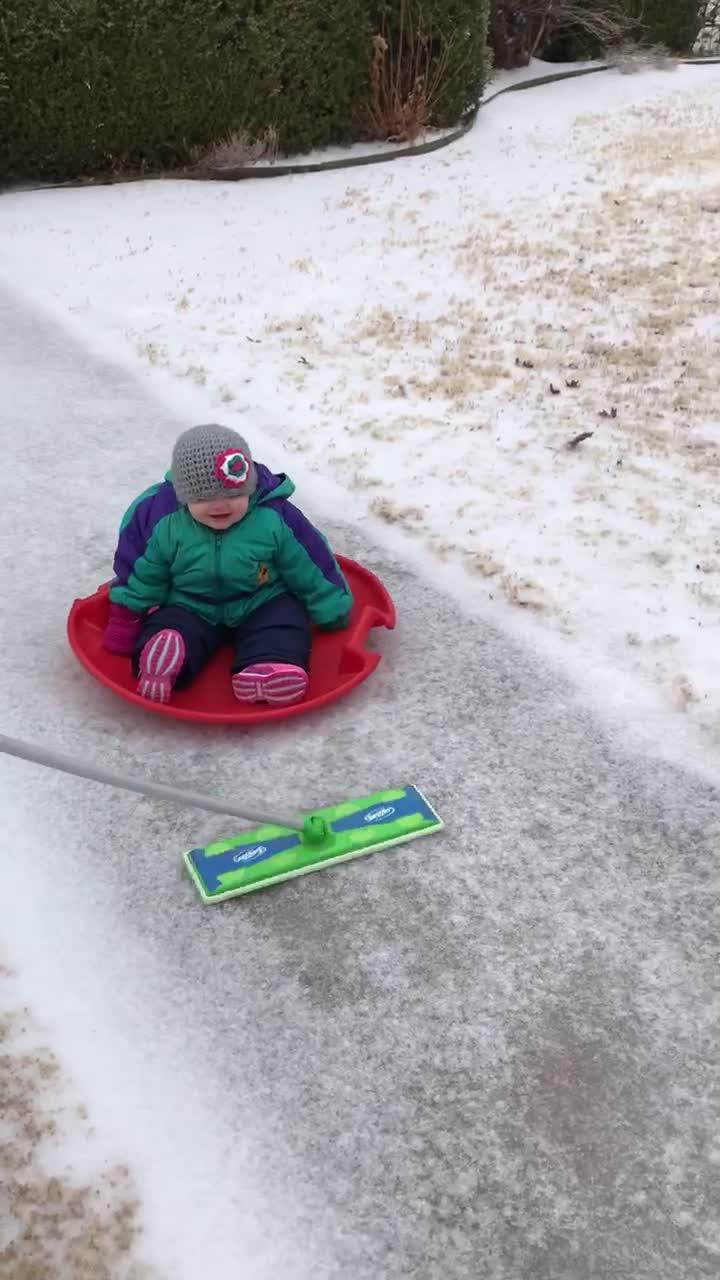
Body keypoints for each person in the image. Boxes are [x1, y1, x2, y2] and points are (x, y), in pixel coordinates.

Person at [103, 423, 352, 706]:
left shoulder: (272, 517)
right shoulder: (167, 522)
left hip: (262, 599)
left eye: (233, 495)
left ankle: (269, 668)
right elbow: (142, 572)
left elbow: (308, 562)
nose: (220, 505)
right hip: (190, 603)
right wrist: (126, 619)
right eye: (204, 497)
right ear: (183, 496)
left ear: (250, 486)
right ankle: (166, 661)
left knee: (283, 622)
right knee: (170, 623)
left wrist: (331, 606)